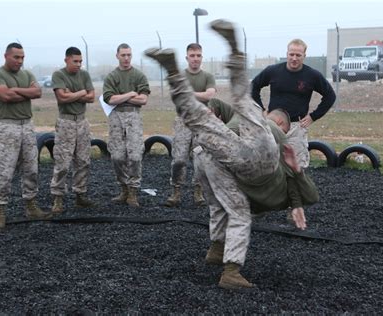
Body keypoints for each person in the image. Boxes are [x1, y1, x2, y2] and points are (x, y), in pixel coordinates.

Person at [144, 19, 318, 290]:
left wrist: (295, 190)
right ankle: (229, 269)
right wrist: (296, 186)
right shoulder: (275, 136)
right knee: (234, 210)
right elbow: (306, 191)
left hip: (212, 157)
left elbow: (214, 107)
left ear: (276, 121)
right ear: (280, 122)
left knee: (202, 118)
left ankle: (173, 72)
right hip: (243, 161)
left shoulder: (266, 127)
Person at [0, 42, 51, 231]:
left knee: (31, 168)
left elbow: (38, 92)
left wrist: (16, 91)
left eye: (22, 57)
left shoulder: (27, 74)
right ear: (6, 56)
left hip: (27, 126)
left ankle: (31, 206)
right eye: (16, 57)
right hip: (8, 126)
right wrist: (25, 93)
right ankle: (0, 211)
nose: (20, 61)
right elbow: (5, 96)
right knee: (5, 171)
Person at [251, 38, 336, 169]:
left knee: (297, 167)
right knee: (269, 164)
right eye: (291, 54)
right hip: (273, 126)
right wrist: (261, 110)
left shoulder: (312, 75)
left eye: (298, 55)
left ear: (304, 56)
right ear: (287, 54)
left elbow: (330, 96)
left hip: (296, 127)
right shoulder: (273, 71)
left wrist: (313, 116)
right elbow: (253, 87)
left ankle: (296, 189)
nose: (294, 58)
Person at [165, 43, 216, 207]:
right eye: (192, 56)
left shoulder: (208, 76)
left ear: (202, 57)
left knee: (200, 159)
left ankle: (198, 192)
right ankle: (176, 191)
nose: (195, 59)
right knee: (179, 159)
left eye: (198, 55)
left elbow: (209, 95)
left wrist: (190, 94)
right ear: (187, 58)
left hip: (201, 122)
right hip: (183, 121)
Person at [102, 43, 151, 207]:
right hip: (116, 117)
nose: (126, 58)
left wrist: (121, 97)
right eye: (123, 55)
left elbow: (143, 99)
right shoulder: (111, 77)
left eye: (129, 55)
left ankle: (133, 191)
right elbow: (109, 99)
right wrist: (130, 93)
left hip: (133, 116)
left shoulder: (139, 76)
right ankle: (124, 187)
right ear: (117, 56)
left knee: (135, 156)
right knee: (117, 156)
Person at [49, 47, 95, 214]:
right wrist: (82, 92)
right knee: (62, 162)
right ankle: (58, 198)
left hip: (82, 121)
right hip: (66, 122)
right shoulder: (59, 75)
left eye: (80, 61)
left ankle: (80, 194)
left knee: (83, 161)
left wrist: (74, 94)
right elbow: (61, 97)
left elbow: (91, 97)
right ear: (66, 59)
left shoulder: (84, 75)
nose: (78, 64)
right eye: (75, 61)